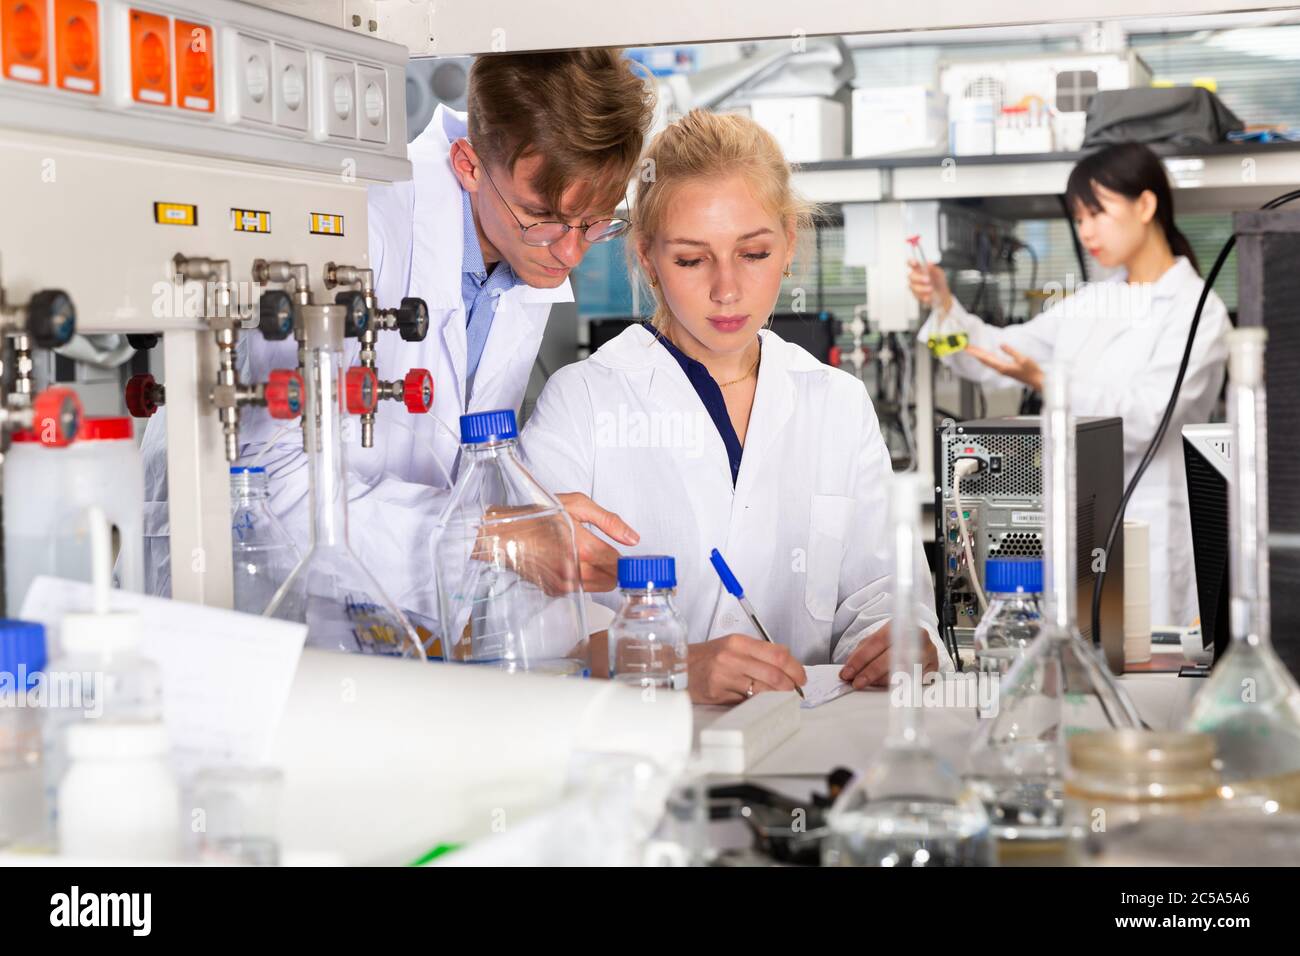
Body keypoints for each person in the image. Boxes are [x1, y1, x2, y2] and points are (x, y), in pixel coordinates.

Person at [141, 50, 656, 622]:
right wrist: (487, 538)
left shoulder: (521, 249)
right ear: (467, 165)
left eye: (595, 221)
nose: (570, 252)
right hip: (240, 607)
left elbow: (456, 466)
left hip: (387, 621)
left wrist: (527, 520)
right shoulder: (354, 226)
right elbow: (264, 488)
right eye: (543, 218)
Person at [521, 110, 949, 705]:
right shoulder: (583, 402)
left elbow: (885, 593)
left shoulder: (837, 403)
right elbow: (526, 635)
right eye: (691, 260)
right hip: (641, 758)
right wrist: (667, 664)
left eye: (752, 253)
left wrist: (902, 639)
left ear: (789, 246)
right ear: (646, 258)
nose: (727, 289)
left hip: (807, 751)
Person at [909, 141, 1230, 627]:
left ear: (1145, 205)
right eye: (1079, 218)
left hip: (1155, 527)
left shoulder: (1200, 312)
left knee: (1154, 677)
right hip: (1076, 526)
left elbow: (1147, 421)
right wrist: (943, 306)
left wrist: (1049, 381)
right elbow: (995, 354)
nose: (1085, 231)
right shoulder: (1093, 303)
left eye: (1097, 213)